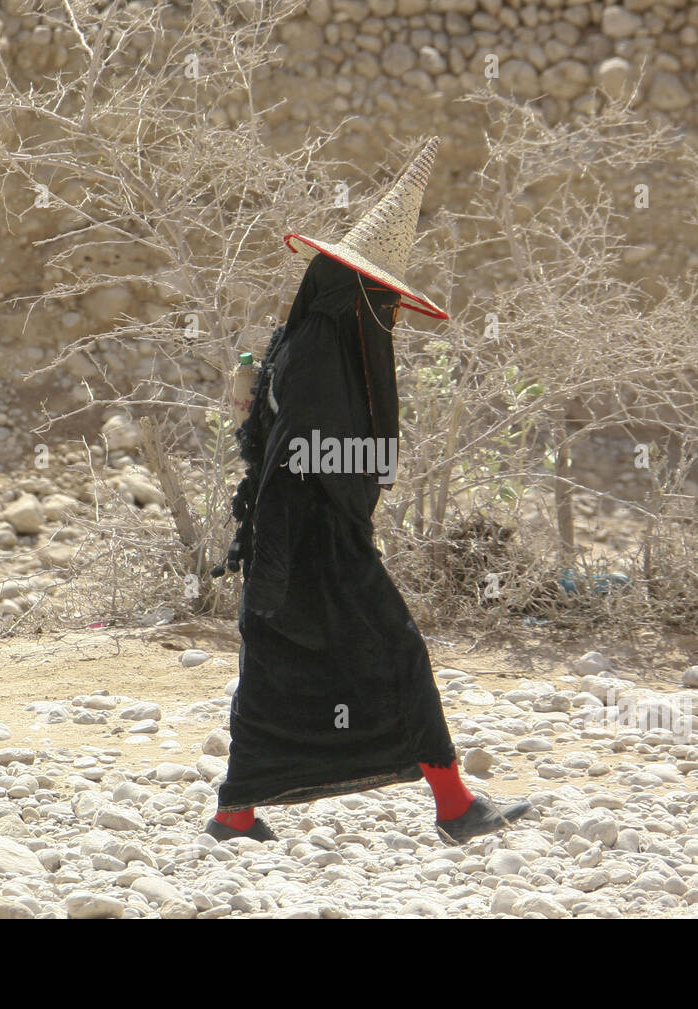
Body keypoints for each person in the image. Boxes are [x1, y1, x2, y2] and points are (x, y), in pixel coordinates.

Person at [206, 137, 531, 844]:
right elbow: (305, 454)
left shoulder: (310, 335)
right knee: (396, 648)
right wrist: (297, 546)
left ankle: (236, 813)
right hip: (315, 538)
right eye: (379, 295)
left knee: (278, 666)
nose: (384, 309)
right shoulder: (324, 348)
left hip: (296, 537)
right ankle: (454, 805)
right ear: (354, 290)